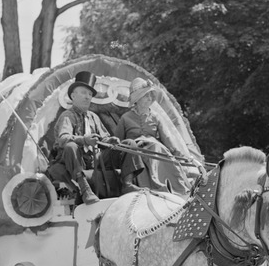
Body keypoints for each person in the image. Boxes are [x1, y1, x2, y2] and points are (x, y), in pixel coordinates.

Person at [52, 71, 124, 205]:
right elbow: (62, 139)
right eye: (84, 93)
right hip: (74, 160)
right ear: (73, 96)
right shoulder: (67, 116)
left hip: (94, 159)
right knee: (70, 146)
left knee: (127, 144)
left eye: (90, 94)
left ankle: (129, 185)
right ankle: (85, 190)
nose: (87, 97)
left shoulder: (93, 117)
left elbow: (104, 138)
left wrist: (110, 141)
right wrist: (84, 140)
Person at [116, 77, 192, 194]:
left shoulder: (156, 116)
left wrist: (180, 155)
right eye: (146, 95)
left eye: (151, 95)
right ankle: (145, 186)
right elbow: (118, 142)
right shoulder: (125, 118)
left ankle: (170, 188)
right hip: (135, 154)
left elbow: (167, 138)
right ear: (138, 99)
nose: (150, 98)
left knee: (159, 149)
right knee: (138, 153)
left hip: (156, 150)